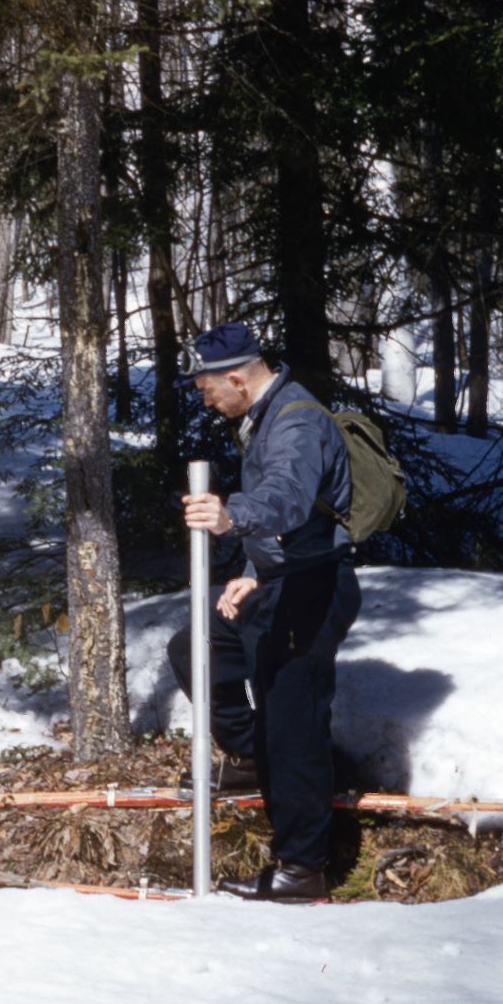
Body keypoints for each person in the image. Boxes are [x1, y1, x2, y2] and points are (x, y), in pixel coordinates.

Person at [167, 322, 361, 903]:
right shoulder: (266, 416)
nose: (203, 397)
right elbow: (296, 515)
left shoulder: (297, 420)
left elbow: (289, 497)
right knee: (198, 647)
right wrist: (252, 574)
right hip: (278, 582)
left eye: (206, 385)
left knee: (294, 724)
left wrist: (232, 516)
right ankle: (255, 756)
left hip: (312, 590)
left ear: (236, 377)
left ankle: (301, 869)